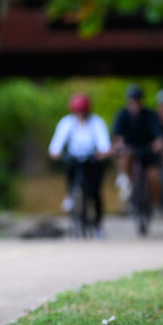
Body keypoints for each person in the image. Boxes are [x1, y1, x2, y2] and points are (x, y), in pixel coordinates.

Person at [47, 93, 111, 236]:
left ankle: (97, 225)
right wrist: (56, 152)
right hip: (74, 158)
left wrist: (103, 152)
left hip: (92, 159)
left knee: (94, 192)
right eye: (78, 112)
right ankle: (71, 196)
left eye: (83, 112)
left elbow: (104, 144)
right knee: (71, 177)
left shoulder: (96, 122)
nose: (80, 116)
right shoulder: (67, 122)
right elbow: (56, 144)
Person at [112, 84, 163, 209]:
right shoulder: (122, 114)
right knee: (125, 156)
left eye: (137, 101)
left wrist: (159, 143)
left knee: (154, 178)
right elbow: (117, 136)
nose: (134, 104)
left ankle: (153, 203)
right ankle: (126, 182)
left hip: (147, 150)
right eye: (132, 101)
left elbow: (158, 134)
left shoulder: (149, 114)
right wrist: (121, 145)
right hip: (130, 149)